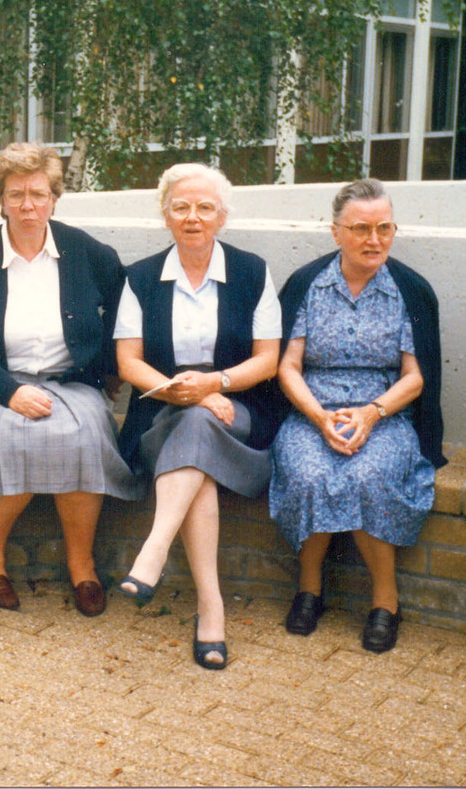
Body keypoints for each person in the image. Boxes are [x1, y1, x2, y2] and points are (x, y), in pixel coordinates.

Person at [0, 143, 139, 616]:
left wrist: (108, 370)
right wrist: (9, 392)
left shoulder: (87, 252)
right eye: (16, 196)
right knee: (4, 436)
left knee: (87, 434)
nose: (27, 206)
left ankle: (81, 562)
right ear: (1, 200)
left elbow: (122, 311)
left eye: (37, 194)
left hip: (71, 383)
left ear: (54, 197)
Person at [114, 163, 282, 670]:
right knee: (196, 442)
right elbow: (129, 363)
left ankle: (155, 548)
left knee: (202, 425)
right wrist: (187, 394)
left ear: (222, 217)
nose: (193, 217)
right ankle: (211, 608)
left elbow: (267, 359)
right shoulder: (141, 277)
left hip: (240, 412)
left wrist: (215, 384)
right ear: (165, 216)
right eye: (181, 207)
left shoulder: (252, 271)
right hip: (162, 413)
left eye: (205, 207)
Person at [270, 178, 444, 654]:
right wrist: (320, 417)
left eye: (384, 228)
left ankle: (385, 601)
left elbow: (416, 375)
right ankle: (310, 589)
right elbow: (287, 365)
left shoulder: (409, 290)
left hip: (385, 415)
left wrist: (370, 414)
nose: (374, 240)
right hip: (312, 411)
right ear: (336, 232)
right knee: (308, 473)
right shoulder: (308, 285)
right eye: (362, 229)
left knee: (366, 476)